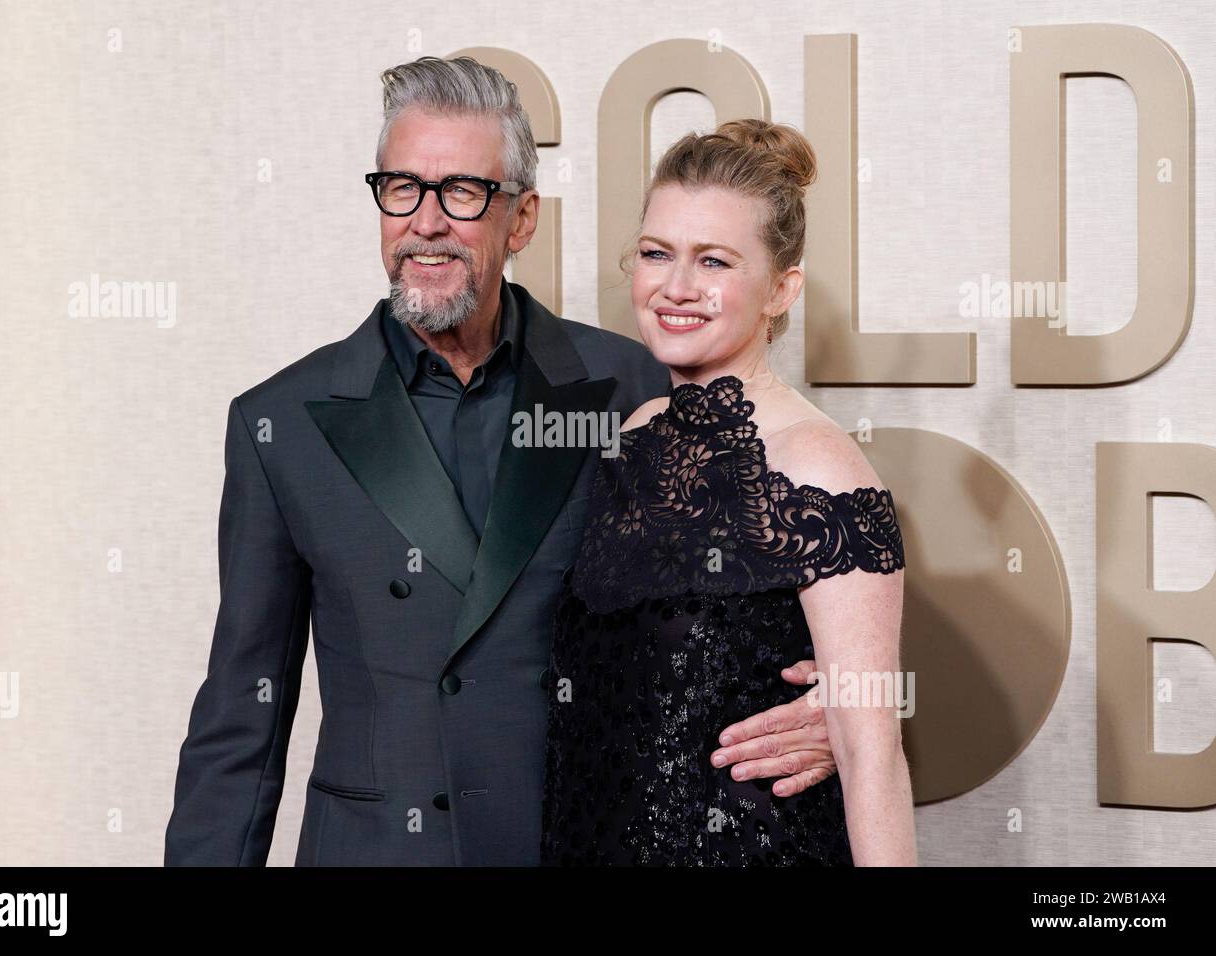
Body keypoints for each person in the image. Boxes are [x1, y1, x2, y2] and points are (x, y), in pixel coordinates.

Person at [165, 57, 838, 867]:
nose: (426, 221)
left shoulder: (636, 391)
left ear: (521, 220)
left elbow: (771, 605)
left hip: (580, 843)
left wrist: (844, 707)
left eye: (463, 193)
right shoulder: (281, 423)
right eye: (402, 188)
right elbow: (242, 710)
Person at [540, 120, 915, 865]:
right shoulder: (633, 436)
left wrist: (840, 718)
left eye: (713, 261)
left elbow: (874, 756)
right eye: (656, 253)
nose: (676, 288)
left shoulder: (821, 469)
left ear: (781, 290)